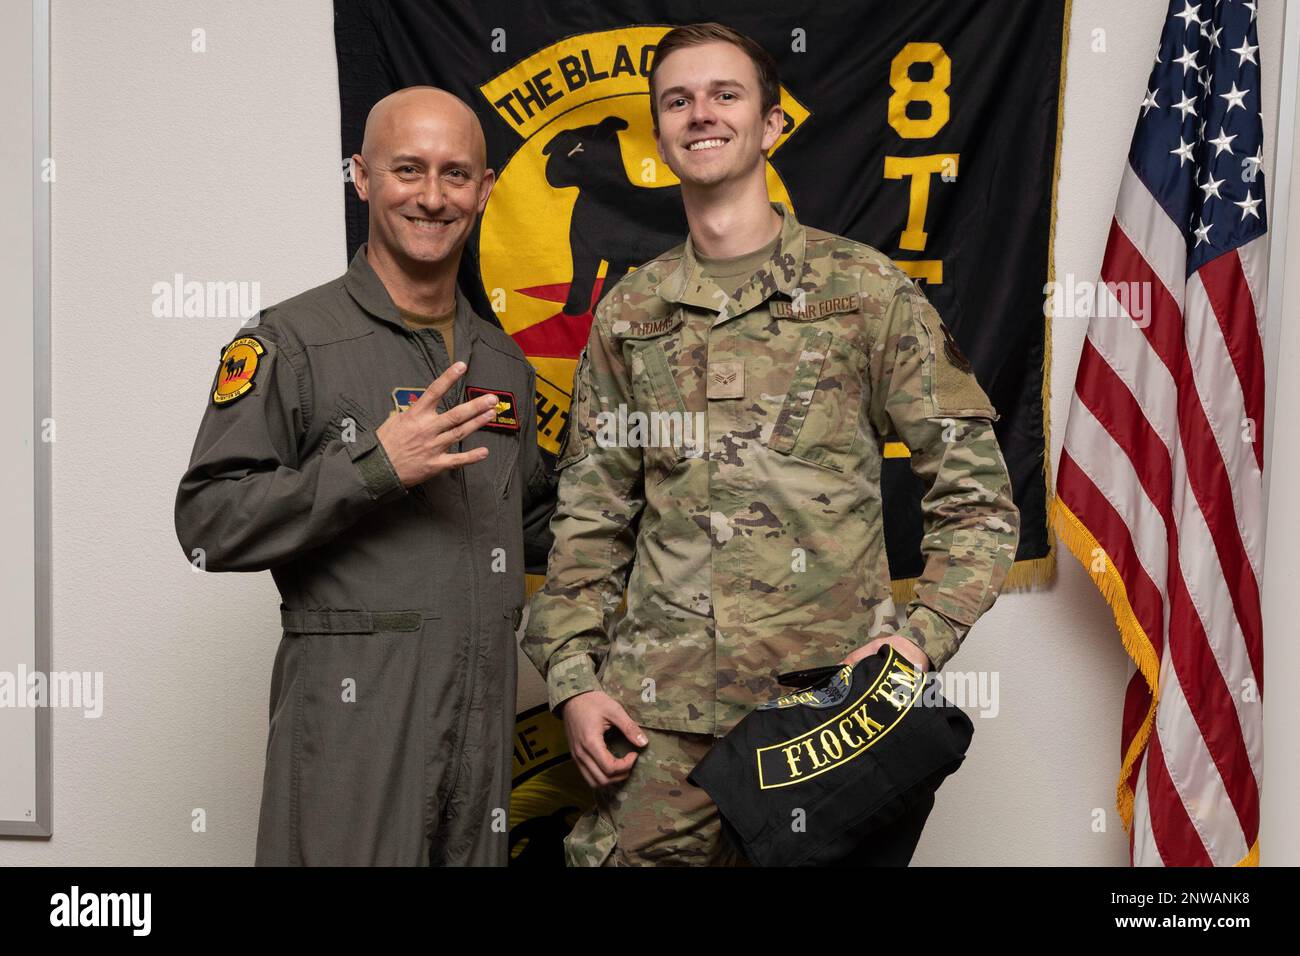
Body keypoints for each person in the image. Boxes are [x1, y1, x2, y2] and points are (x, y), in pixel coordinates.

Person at [523, 23, 1020, 867]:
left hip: (823, 720)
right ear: (658, 130)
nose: (700, 114)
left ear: (772, 125)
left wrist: (919, 639)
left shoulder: (863, 293)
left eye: (726, 94)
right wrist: (572, 682)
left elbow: (977, 501)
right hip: (656, 722)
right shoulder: (631, 314)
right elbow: (588, 523)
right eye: (677, 99)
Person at [175, 87, 553, 866]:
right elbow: (207, 520)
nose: (432, 195)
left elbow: (534, 523)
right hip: (354, 728)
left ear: (484, 191)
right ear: (361, 177)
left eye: (455, 174)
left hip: (483, 728)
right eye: (407, 169)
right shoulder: (293, 341)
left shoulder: (502, 363)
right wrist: (376, 469)